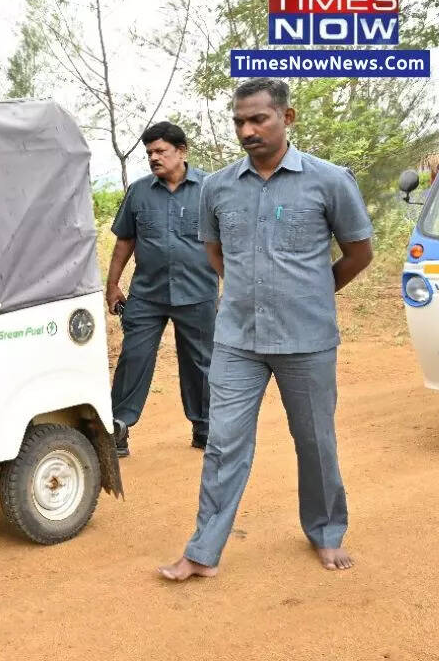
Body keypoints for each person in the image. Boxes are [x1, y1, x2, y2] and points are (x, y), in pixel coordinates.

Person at [159, 78, 374, 581]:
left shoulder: (329, 180)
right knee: (223, 442)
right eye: (239, 121)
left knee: (315, 440)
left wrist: (315, 293)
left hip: (307, 340)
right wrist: (246, 291)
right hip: (237, 338)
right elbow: (215, 251)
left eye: (259, 119)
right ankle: (203, 551)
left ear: (288, 118)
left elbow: (359, 252)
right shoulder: (218, 187)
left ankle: (325, 532)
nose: (247, 130)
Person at [107, 122, 218, 457]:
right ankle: (117, 428)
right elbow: (125, 240)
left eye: (160, 151)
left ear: (181, 151)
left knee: (200, 363)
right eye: (149, 153)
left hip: (198, 294)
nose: (153, 158)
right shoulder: (139, 192)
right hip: (147, 295)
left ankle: (204, 428)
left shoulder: (210, 189)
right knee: (134, 357)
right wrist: (112, 284)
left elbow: (232, 239)